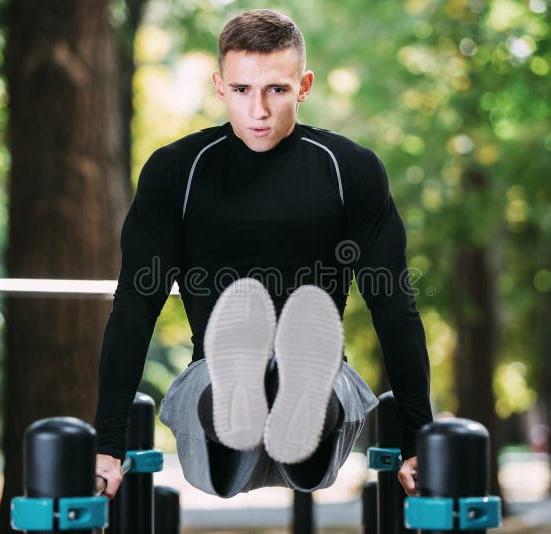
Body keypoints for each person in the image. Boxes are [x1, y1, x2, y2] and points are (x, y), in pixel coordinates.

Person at [94, 8, 432, 499]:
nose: (259, 110)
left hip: (311, 382)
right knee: (229, 391)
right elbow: (134, 308)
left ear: (305, 85)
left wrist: (108, 447)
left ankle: (291, 387)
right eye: (241, 90)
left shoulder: (351, 172)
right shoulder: (176, 173)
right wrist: (417, 442)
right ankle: (251, 388)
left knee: (310, 393)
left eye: (276, 89)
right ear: (218, 85)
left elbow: (395, 311)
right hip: (219, 379)